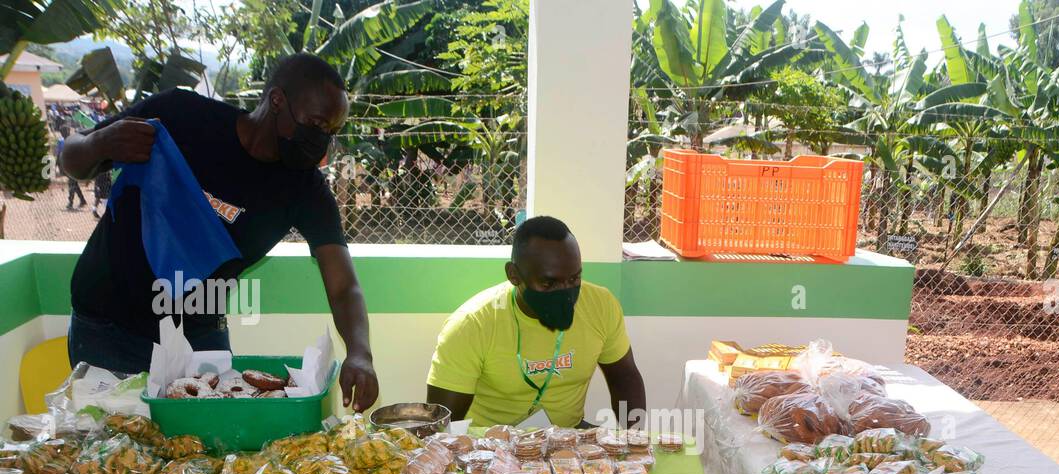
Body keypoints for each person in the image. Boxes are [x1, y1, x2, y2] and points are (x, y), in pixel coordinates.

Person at [58, 53, 379, 410]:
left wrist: (360, 353)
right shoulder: (182, 115)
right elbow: (70, 157)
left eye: (331, 132)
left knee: (211, 453)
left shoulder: (305, 190)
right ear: (276, 101)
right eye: (316, 124)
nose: (322, 142)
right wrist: (99, 143)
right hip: (108, 325)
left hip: (197, 334)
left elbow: (344, 284)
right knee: (116, 453)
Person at [426, 216, 647, 428]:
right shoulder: (472, 324)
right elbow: (443, 423)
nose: (565, 295)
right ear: (514, 275)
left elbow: (624, 377)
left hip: (567, 437)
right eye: (548, 283)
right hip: (492, 446)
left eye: (573, 279)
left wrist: (634, 439)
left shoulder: (600, 305)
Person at [56, 129, 87, 211]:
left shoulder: (61, 141)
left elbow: (58, 153)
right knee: (73, 183)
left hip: (67, 164)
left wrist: (57, 164)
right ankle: (82, 200)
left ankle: (71, 202)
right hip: (73, 164)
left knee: (72, 184)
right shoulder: (73, 140)